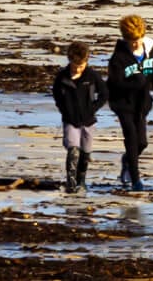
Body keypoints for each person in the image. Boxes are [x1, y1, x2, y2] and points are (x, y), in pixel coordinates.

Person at [107, 14, 153, 191]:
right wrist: (135, 82)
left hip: (142, 103)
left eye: (137, 40)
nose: (135, 44)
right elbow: (115, 81)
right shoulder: (119, 56)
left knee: (142, 143)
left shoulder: (152, 48)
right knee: (132, 139)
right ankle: (135, 180)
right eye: (131, 41)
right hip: (122, 102)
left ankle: (127, 160)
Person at [50, 41, 107, 194]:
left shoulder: (92, 75)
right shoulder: (62, 77)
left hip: (88, 121)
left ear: (86, 62)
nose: (78, 69)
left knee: (85, 152)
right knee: (73, 149)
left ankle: (82, 181)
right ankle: (71, 182)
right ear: (70, 61)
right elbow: (56, 95)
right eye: (75, 66)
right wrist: (64, 110)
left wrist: (93, 109)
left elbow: (104, 94)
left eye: (81, 66)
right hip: (70, 121)